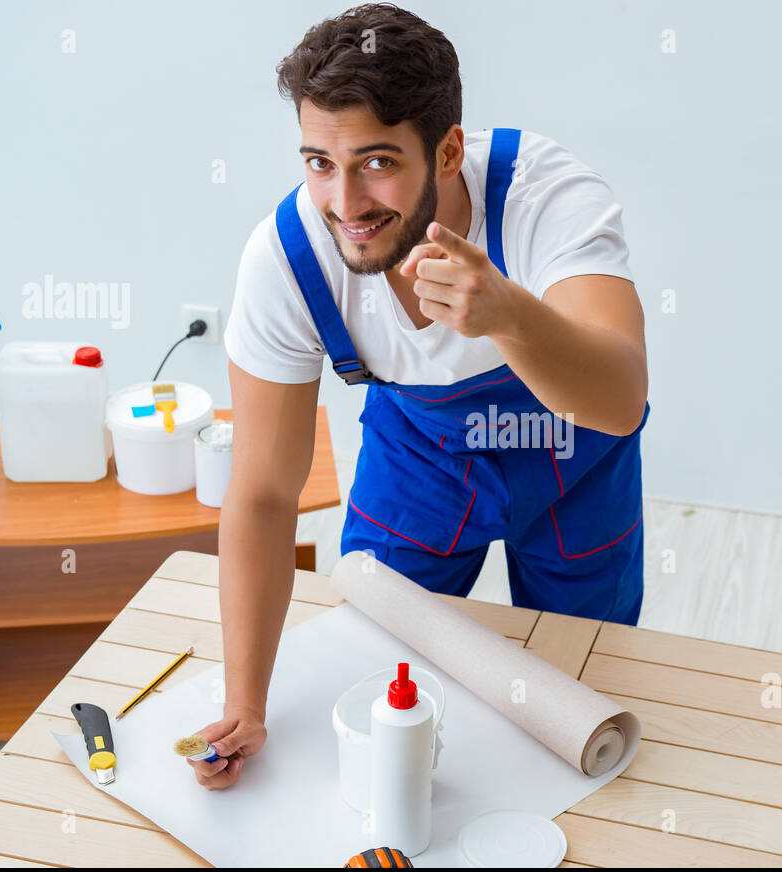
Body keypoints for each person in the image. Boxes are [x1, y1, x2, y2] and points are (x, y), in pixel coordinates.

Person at [192, 3, 648, 789]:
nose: (345, 204)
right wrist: (246, 700)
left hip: (574, 456)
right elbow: (264, 493)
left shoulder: (545, 196)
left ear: (447, 151)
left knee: (577, 705)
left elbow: (620, 397)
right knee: (376, 662)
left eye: (376, 161)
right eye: (318, 162)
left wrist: (508, 314)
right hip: (421, 458)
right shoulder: (287, 260)